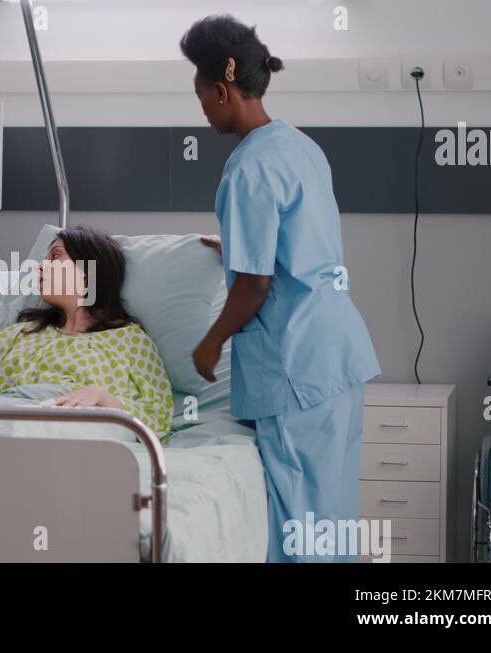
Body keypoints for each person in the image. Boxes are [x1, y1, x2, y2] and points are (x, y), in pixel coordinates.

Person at [181, 16, 381, 562]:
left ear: (222, 91)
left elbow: (255, 286)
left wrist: (211, 341)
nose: (200, 109)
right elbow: (299, 245)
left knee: (298, 529)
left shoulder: (247, 169)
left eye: (201, 97)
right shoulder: (301, 147)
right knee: (330, 519)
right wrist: (237, 249)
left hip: (296, 371)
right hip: (337, 357)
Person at [0, 226, 174, 441]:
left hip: (78, 433)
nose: (40, 267)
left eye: (55, 256)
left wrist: (101, 396)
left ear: (88, 272)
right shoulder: (13, 336)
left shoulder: (130, 341)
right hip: (2, 428)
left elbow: (157, 416)